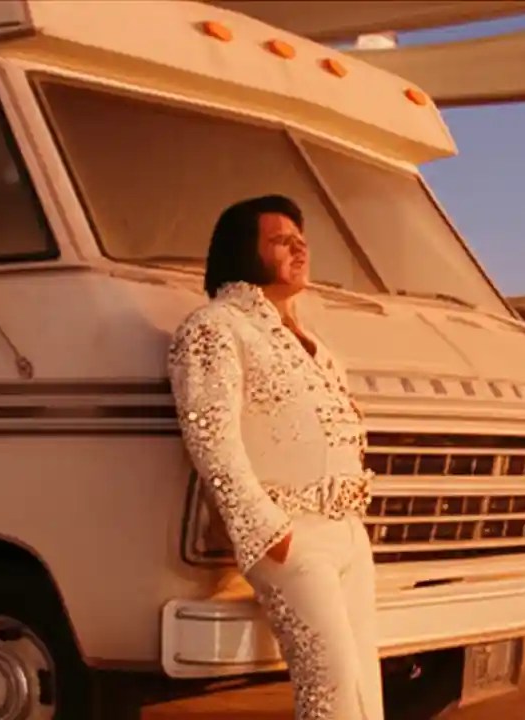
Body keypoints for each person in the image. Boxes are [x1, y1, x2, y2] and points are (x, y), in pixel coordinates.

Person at [167, 195, 383, 720]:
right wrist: (268, 531)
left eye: (301, 239)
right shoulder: (214, 328)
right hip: (289, 533)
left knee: (363, 684)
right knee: (327, 680)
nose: (299, 247)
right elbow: (211, 437)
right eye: (281, 240)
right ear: (245, 251)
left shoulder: (315, 344)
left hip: (346, 533)